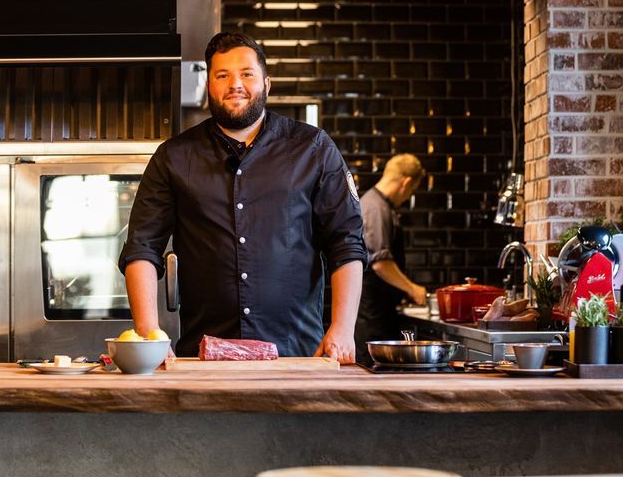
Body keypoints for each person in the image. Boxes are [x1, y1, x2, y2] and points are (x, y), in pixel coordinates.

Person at [118, 32, 367, 363]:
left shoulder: (314, 148)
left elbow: (346, 242)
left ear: (266, 83)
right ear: (209, 85)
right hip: (204, 355)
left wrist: (343, 327)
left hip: (298, 355)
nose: (235, 84)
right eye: (223, 75)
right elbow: (142, 248)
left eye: (247, 74)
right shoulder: (174, 157)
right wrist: (149, 335)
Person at [354, 153, 427, 364]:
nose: (407, 197)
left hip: (376, 315)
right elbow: (380, 263)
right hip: (372, 320)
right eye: (412, 190)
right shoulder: (377, 208)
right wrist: (412, 288)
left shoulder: (375, 203)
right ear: (406, 183)